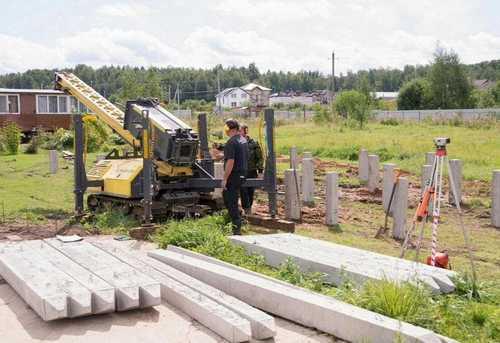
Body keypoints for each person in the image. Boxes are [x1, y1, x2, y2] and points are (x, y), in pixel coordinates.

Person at [222, 119, 248, 235]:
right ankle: (240, 217)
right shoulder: (243, 140)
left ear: (228, 129)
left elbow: (230, 161)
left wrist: (225, 178)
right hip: (243, 173)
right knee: (232, 197)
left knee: (230, 200)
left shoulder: (231, 142)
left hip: (234, 175)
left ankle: (236, 230)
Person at [239, 123, 264, 215]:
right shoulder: (236, 142)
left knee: (250, 191)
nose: (239, 132)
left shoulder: (253, 144)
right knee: (243, 190)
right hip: (241, 171)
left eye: (240, 130)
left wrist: (260, 171)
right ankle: (246, 209)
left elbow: (259, 158)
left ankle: (249, 207)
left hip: (251, 171)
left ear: (245, 131)